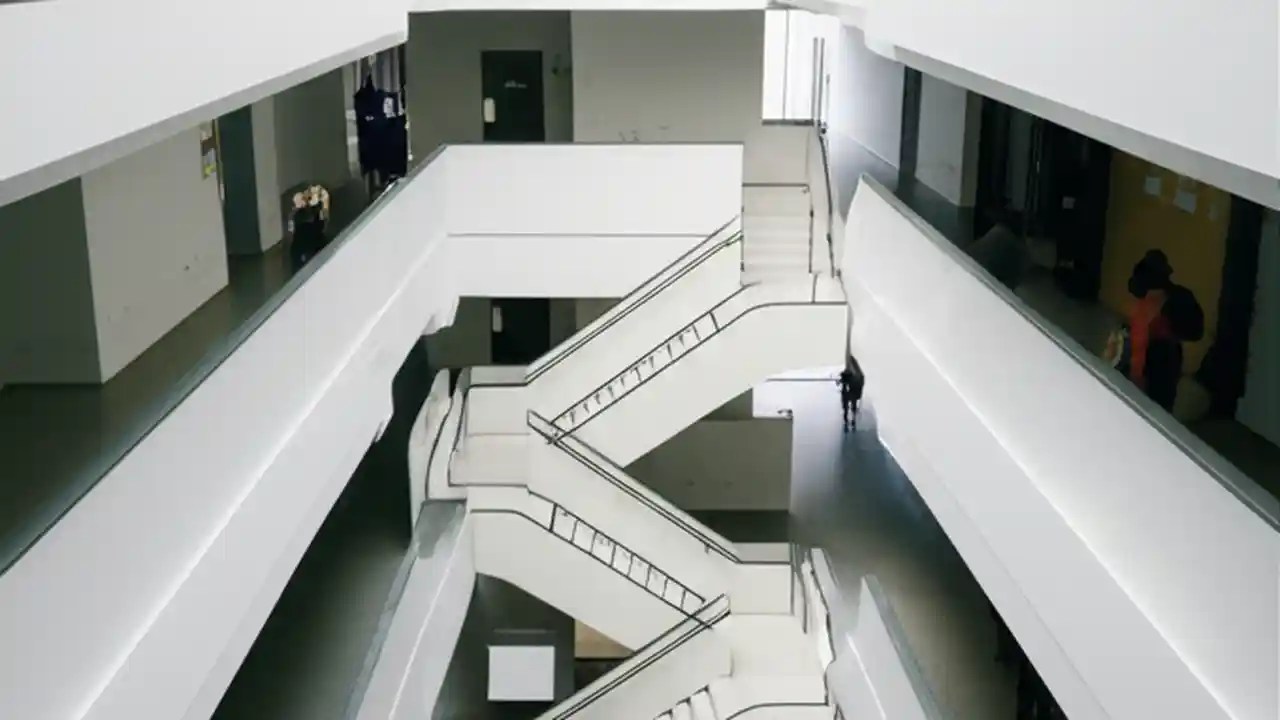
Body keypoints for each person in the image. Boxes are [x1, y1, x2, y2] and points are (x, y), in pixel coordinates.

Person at [1124, 249, 1203, 412]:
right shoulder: (1147, 301)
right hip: (1142, 369)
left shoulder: (1176, 300)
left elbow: (1194, 331)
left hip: (1158, 368)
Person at [837, 357, 865, 431]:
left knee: (849, 408)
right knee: (847, 408)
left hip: (851, 394)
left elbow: (859, 381)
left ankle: (850, 420)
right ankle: (849, 420)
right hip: (849, 394)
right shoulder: (846, 379)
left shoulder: (851, 379)